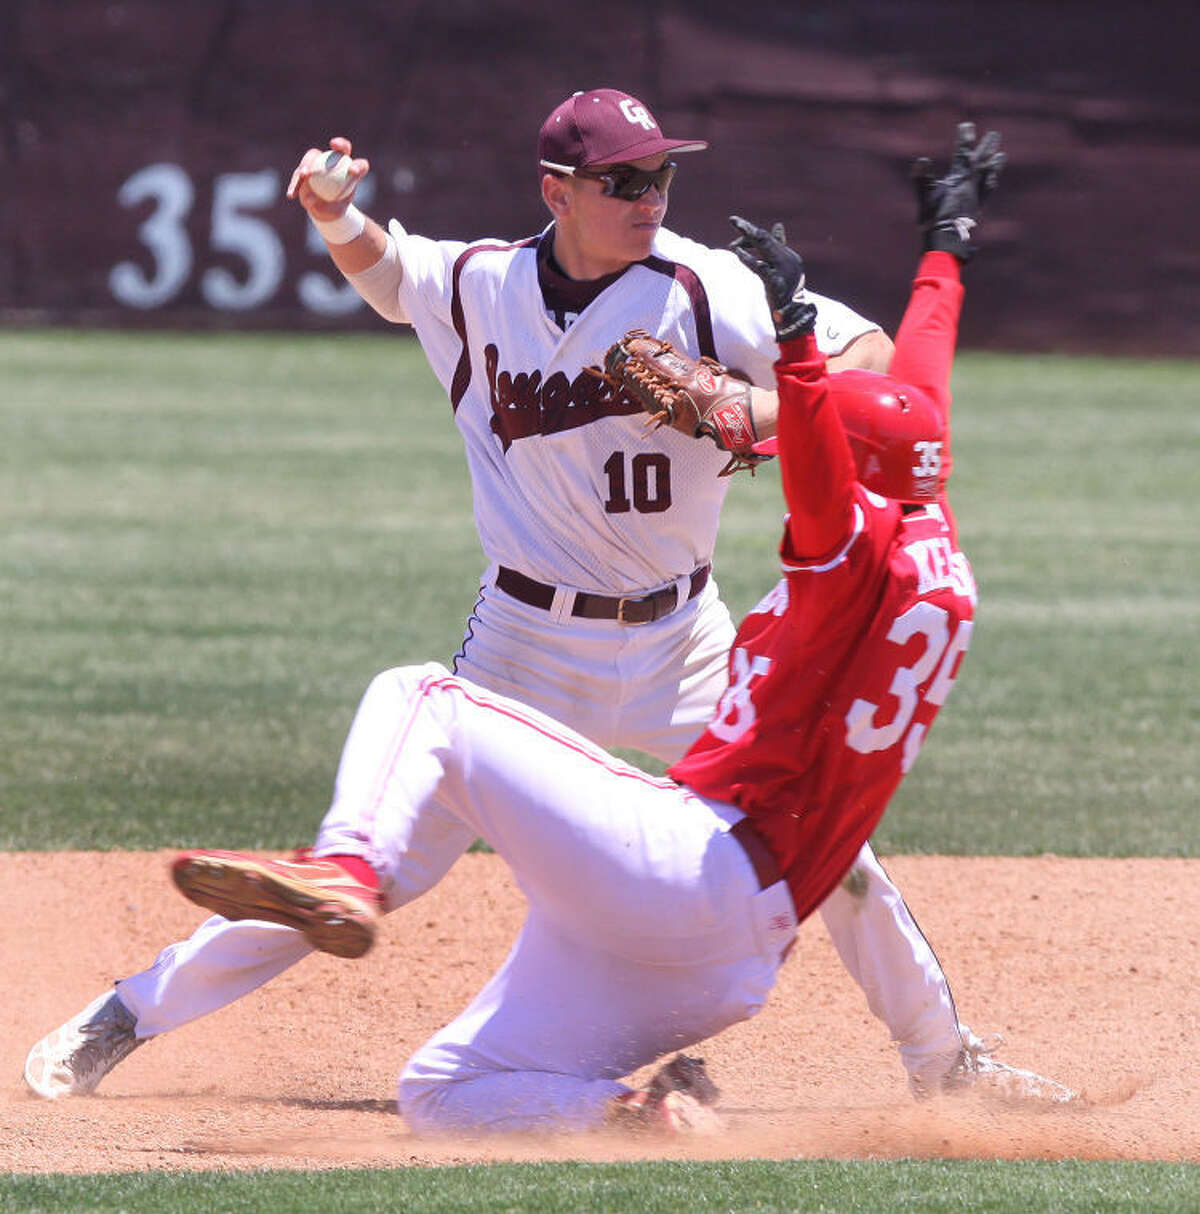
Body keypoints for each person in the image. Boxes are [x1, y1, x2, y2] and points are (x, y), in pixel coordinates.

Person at [26, 125, 1077, 1129]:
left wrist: (749, 408)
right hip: (528, 639)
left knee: (838, 857)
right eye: (622, 181)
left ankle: (944, 1059)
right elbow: (395, 278)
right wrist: (337, 218)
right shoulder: (484, 279)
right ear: (556, 190)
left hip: (684, 639)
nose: (648, 198)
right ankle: (131, 1011)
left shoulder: (708, 281)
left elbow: (882, 371)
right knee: (372, 862)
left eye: (660, 176)